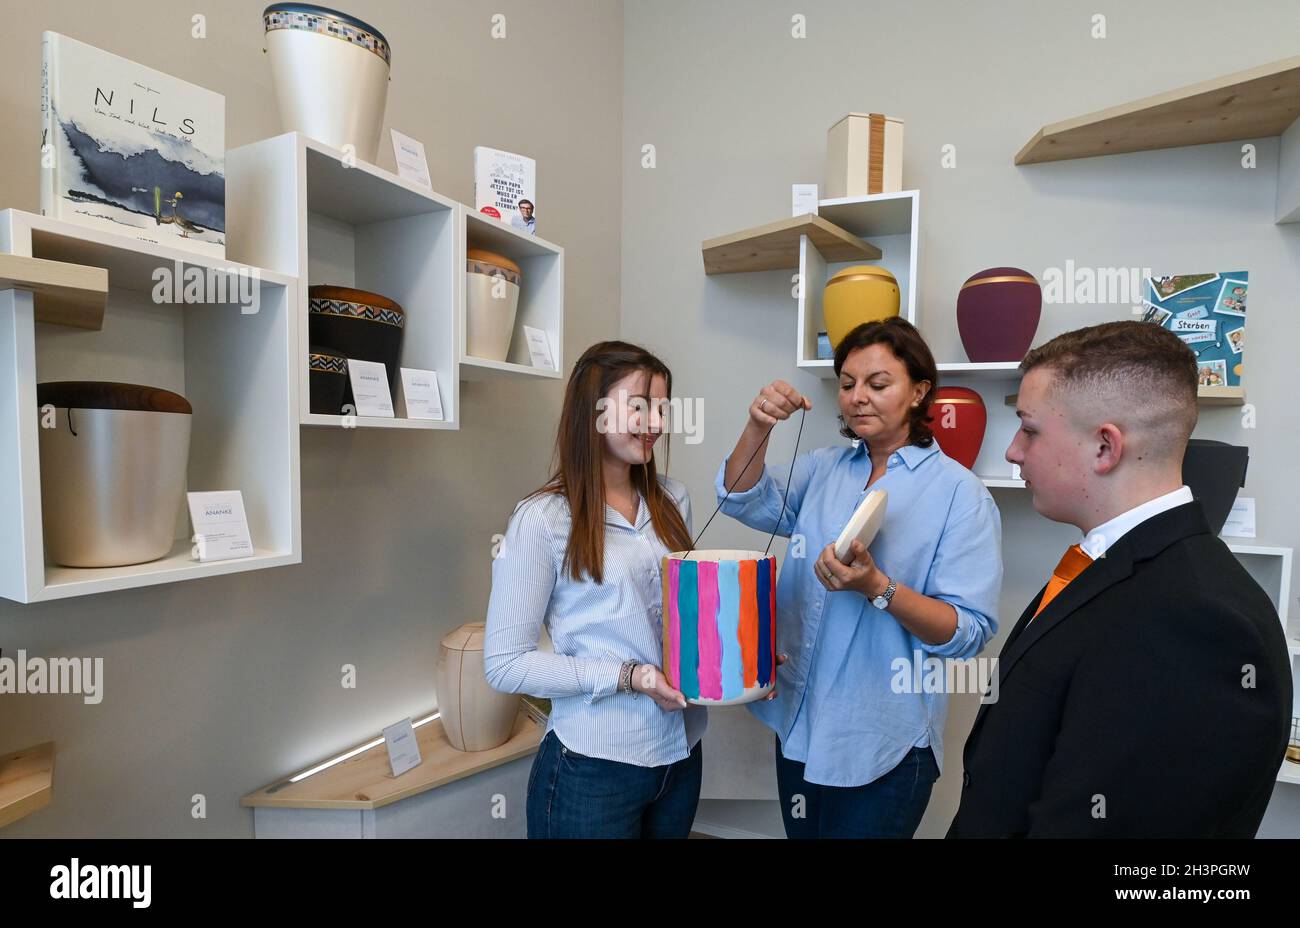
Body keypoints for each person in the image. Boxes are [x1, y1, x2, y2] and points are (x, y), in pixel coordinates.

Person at [948, 321, 1292, 838]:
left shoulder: (1195, 622)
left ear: (1105, 447)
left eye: (1030, 428)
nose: (1013, 451)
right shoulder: (1114, 563)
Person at [716, 317, 1003, 838]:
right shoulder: (825, 469)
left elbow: (966, 632)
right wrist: (758, 425)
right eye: (847, 384)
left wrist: (878, 587)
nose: (857, 398)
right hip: (798, 723)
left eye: (878, 383)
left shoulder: (961, 496)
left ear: (919, 392)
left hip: (884, 741)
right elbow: (740, 496)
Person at [484, 341, 704, 838]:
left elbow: (678, 620)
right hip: (593, 769)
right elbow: (504, 663)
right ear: (594, 411)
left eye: (662, 409)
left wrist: (742, 658)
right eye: (640, 406)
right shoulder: (541, 520)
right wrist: (630, 676)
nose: (654, 423)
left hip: (680, 756)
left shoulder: (673, 499)